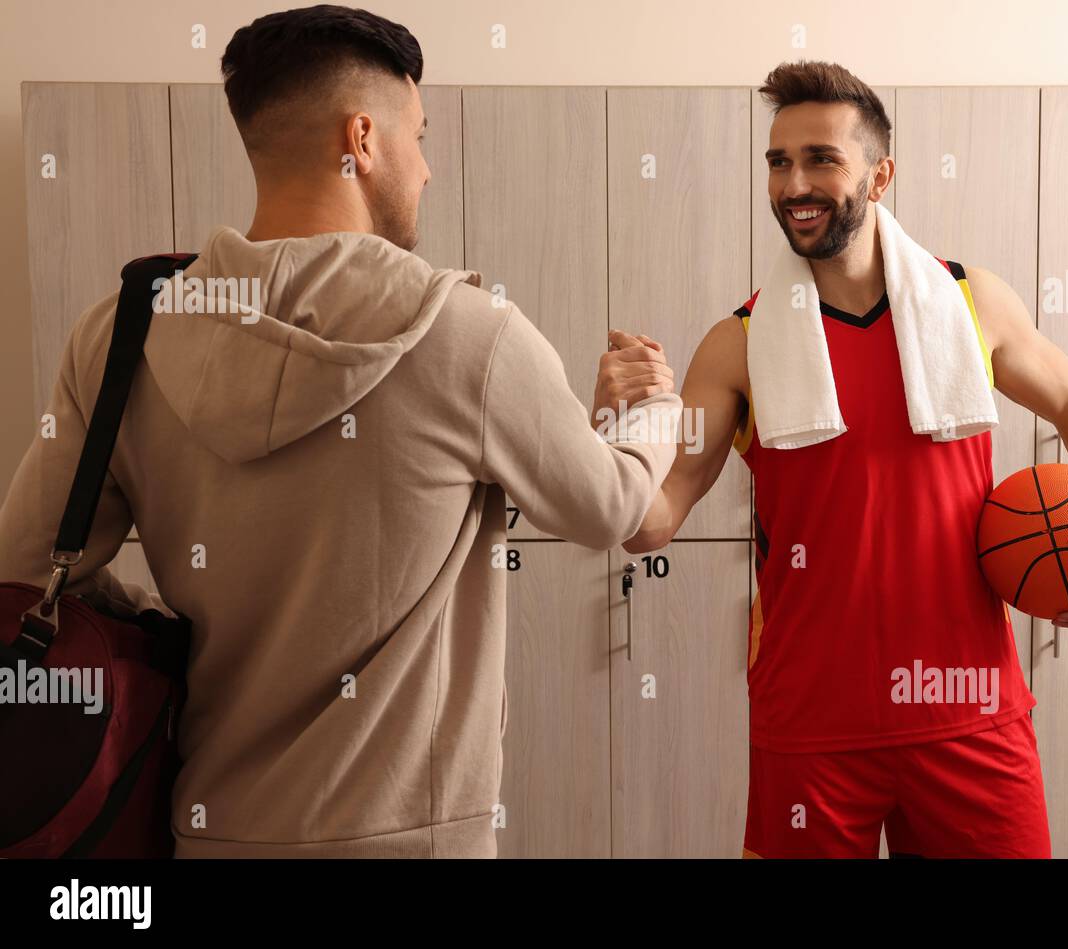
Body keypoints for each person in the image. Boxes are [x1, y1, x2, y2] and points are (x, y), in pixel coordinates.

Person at [0, 4, 680, 858]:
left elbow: (24, 568)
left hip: (212, 828)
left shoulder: (122, 336)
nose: (427, 169)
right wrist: (652, 407)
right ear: (361, 137)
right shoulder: (469, 334)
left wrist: (173, 628)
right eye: (419, 136)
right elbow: (613, 506)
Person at [623, 59, 1068, 858]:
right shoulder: (735, 346)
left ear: (880, 175)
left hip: (970, 712)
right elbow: (652, 520)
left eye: (821, 158)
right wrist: (631, 422)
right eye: (778, 161)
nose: (793, 183)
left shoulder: (970, 302)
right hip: (812, 726)